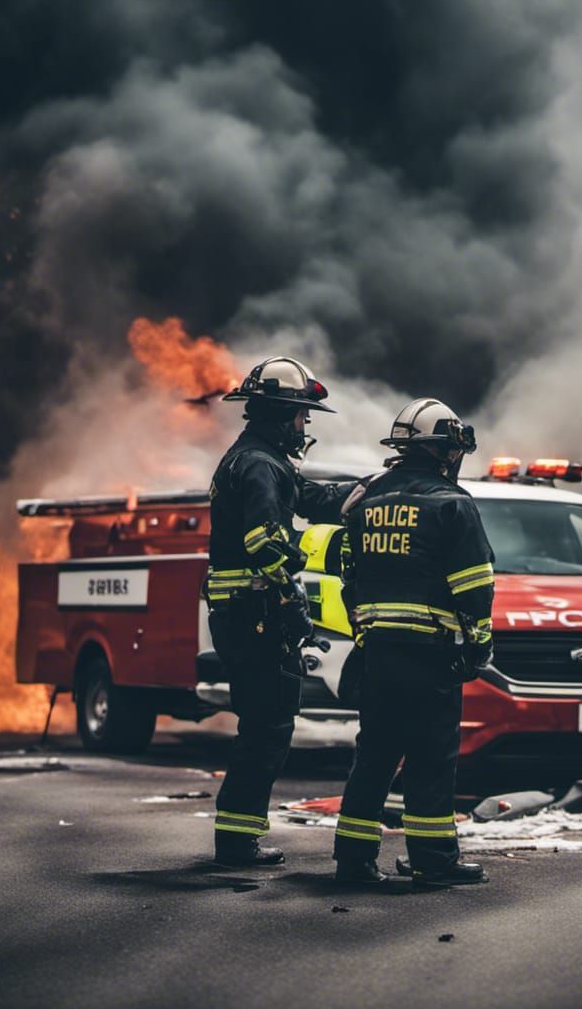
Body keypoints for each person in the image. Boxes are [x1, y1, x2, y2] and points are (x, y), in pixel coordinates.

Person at [333, 398, 494, 887]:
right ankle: (432, 859)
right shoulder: (453, 504)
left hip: (379, 653)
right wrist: (478, 646)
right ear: (444, 451)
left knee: (375, 755)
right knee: (430, 758)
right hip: (431, 656)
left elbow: (349, 577)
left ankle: (354, 861)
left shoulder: (367, 505)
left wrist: (365, 634)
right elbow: (475, 586)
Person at [206, 356, 355, 867]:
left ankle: (237, 838)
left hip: (245, 613)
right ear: (277, 414)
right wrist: (295, 593)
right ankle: (237, 844)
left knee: (262, 726)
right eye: (300, 414)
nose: (304, 423)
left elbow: (307, 497)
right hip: (254, 615)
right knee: (267, 727)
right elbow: (266, 544)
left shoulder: (256, 459)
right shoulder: (261, 464)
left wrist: (358, 493)